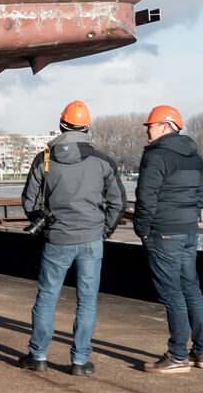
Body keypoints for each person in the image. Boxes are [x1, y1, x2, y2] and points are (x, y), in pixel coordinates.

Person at [16, 101, 125, 375]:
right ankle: (79, 361)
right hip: (91, 240)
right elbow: (118, 202)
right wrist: (105, 231)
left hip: (56, 240)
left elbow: (29, 203)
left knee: (48, 297)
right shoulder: (102, 160)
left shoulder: (46, 159)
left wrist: (45, 223)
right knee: (87, 300)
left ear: (61, 125)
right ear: (87, 127)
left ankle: (38, 356)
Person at [134, 106, 203, 374]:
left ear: (165, 127)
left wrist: (142, 229)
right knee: (192, 289)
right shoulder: (194, 155)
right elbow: (202, 195)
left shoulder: (156, 156)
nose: (147, 129)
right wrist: (189, 216)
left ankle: (178, 355)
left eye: (151, 125)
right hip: (189, 230)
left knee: (172, 294)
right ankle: (202, 351)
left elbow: (146, 197)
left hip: (163, 231)